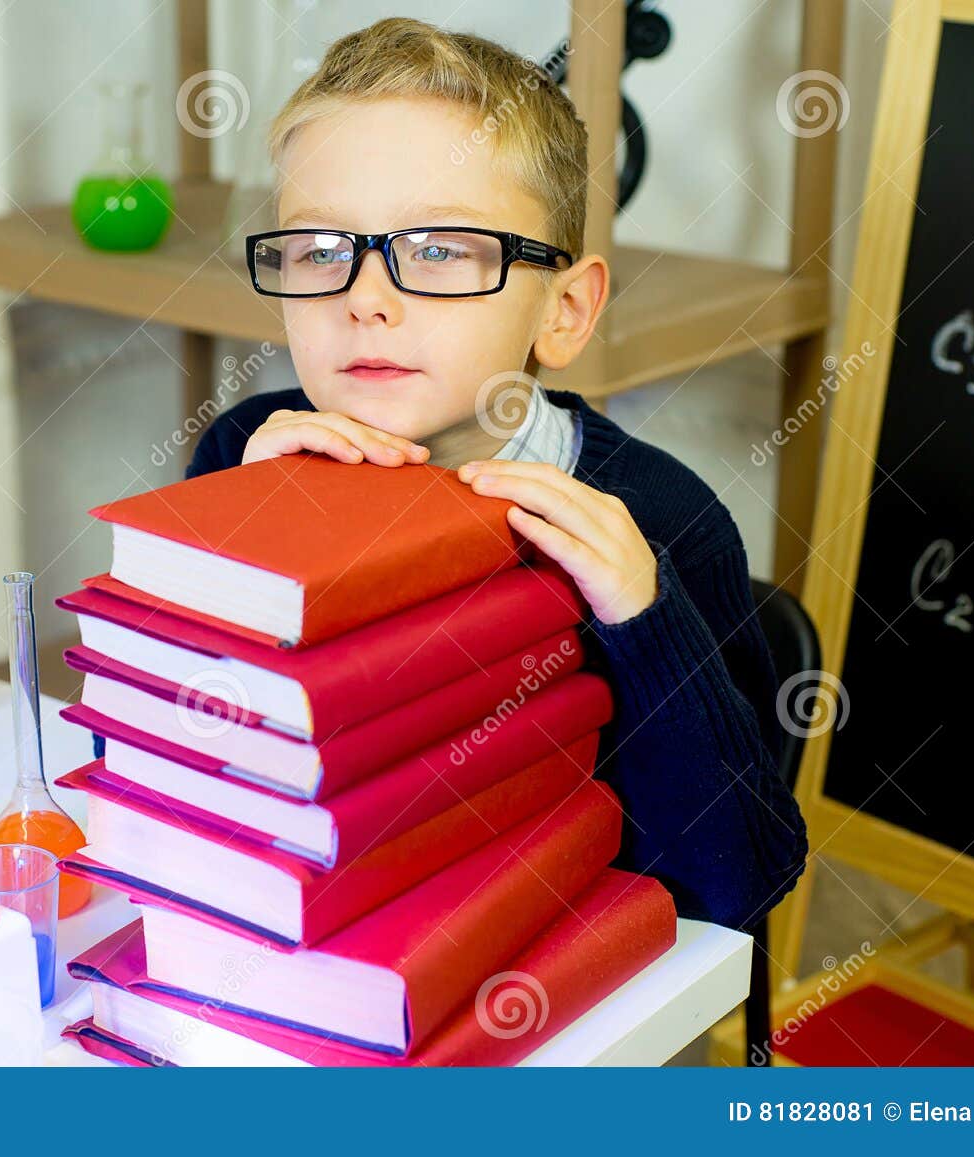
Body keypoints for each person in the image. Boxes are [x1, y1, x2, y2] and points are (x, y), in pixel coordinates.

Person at [169, 17, 806, 930]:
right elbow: (173, 776)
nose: (366, 300)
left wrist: (644, 618)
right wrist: (234, 551)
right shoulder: (241, 451)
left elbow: (735, 879)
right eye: (319, 249)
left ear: (566, 309)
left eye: (439, 251)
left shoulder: (661, 520)